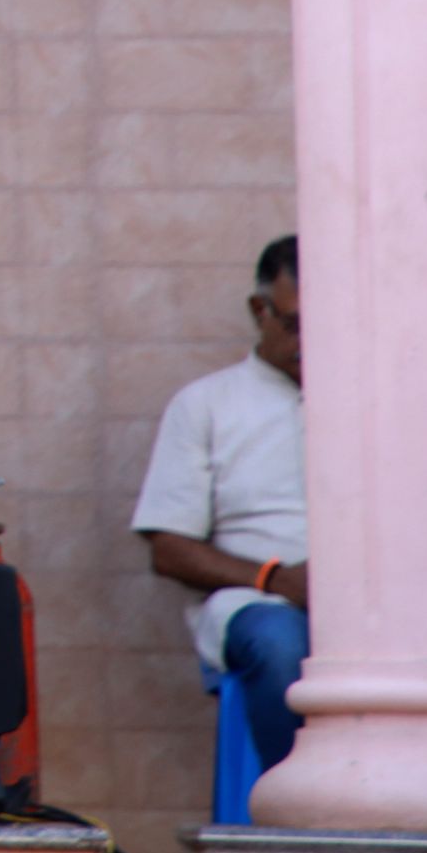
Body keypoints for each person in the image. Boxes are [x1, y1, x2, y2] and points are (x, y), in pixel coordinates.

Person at [133, 235, 311, 769]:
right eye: (295, 324)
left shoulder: (389, 398)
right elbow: (169, 549)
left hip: (382, 605)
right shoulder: (207, 405)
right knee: (278, 643)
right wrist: (276, 579)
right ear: (260, 310)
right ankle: (303, 810)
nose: (313, 343)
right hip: (261, 600)